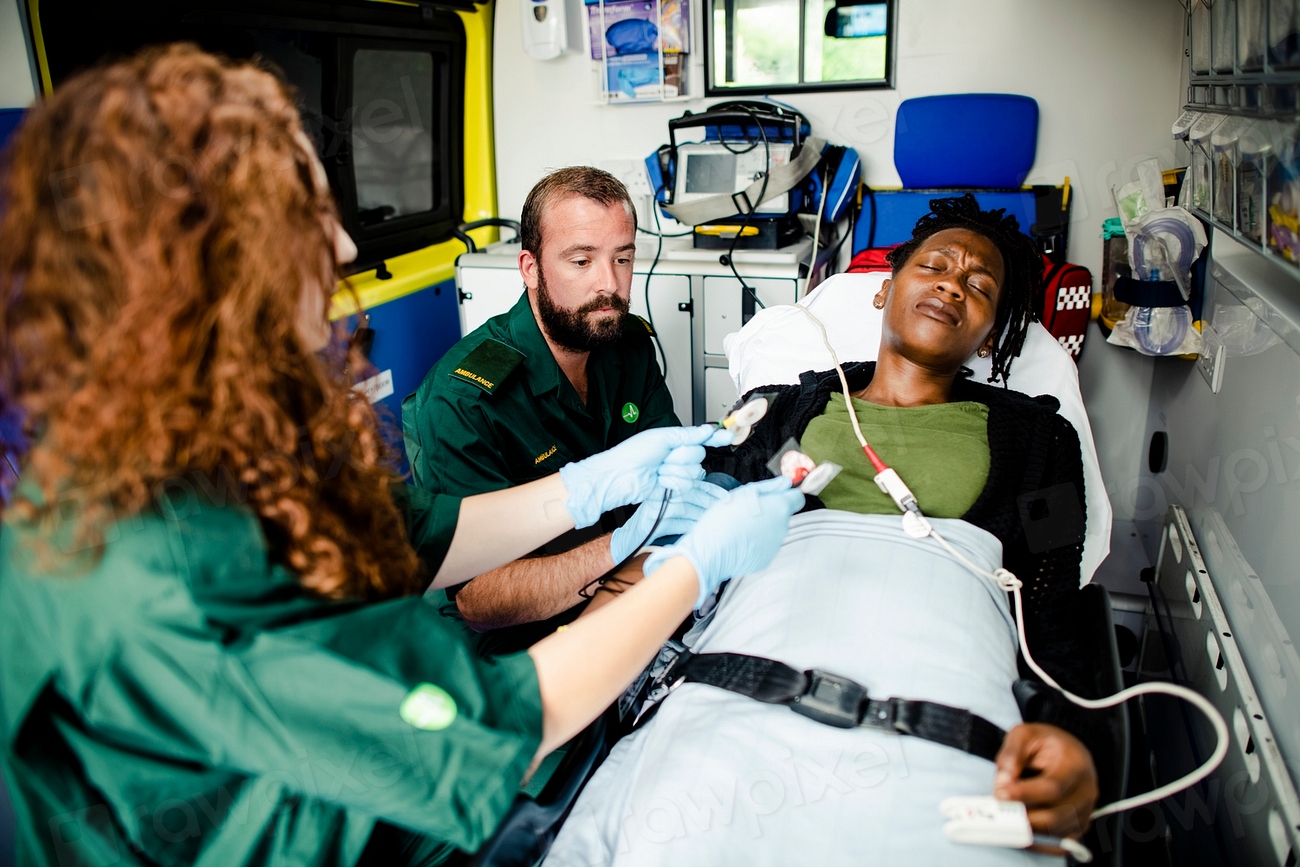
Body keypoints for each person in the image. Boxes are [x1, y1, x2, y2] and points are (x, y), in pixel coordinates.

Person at [0, 46, 804, 867]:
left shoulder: (204, 443)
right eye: (306, 217)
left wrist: (588, 486)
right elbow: (491, 724)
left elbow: (411, 533)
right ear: (204, 265)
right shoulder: (169, 575)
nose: (344, 248)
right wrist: (689, 569)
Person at [545, 196, 1109, 865]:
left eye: (980, 285)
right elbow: (681, 549)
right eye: (934, 266)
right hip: (734, 702)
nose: (953, 283)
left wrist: (1077, 746)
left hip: (941, 731)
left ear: (990, 334)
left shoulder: (1042, 438)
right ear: (884, 289)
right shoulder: (788, 404)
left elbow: (1055, 621)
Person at [403, 167, 682, 650]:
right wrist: (629, 547)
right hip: (511, 647)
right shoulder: (462, 400)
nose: (609, 285)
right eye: (581, 261)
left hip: (619, 585)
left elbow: (666, 475)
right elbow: (482, 599)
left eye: (623, 258)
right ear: (530, 268)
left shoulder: (626, 343)